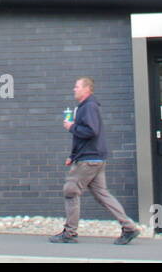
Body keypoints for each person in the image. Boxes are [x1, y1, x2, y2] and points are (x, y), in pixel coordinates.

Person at [49, 77, 139, 245]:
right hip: (93, 158)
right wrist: (73, 155)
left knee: (70, 190)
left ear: (87, 89)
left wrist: (71, 127)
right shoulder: (86, 106)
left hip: (88, 160)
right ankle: (129, 228)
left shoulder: (89, 106)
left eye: (76, 86)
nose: (73, 89)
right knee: (102, 195)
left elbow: (91, 130)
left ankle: (69, 233)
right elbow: (83, 137)